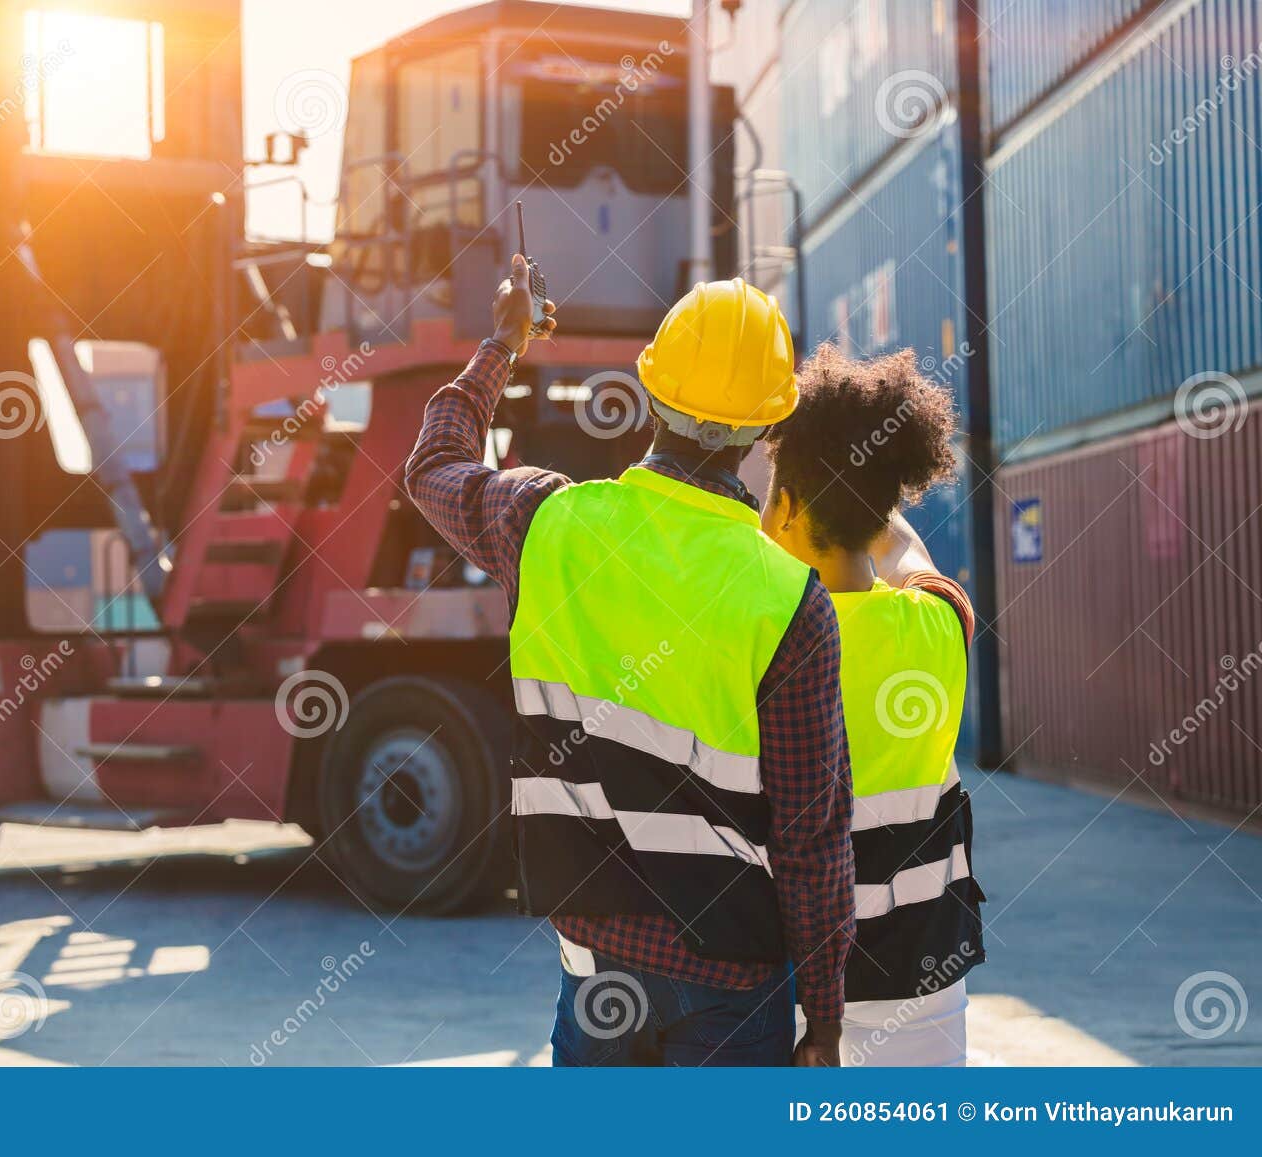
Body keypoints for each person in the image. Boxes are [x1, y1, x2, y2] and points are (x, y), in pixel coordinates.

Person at [405, 258, 855, 1067]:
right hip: (735, 984)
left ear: (650, 394)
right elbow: (810, 838)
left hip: (597, 969)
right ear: (767, 430)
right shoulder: (791, 601)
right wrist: (823, 1018)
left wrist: (501, 344)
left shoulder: (547, 522)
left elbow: (434, 466)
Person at [759, 344, 986, 1066]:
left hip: (801, 984)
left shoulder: (769, 642)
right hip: (926, 970)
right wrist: (862, 496)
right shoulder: (942, 624)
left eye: (770, 492)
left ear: (788, 507)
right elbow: (911, 554)